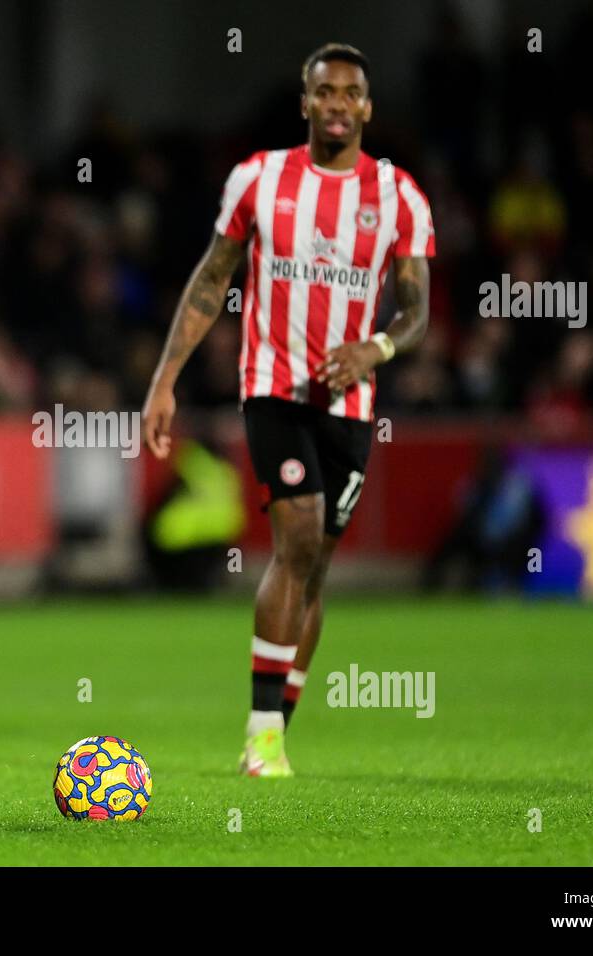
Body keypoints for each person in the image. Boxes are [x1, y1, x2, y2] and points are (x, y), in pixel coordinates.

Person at [142, 43, 435, 777]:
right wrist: (165, 377)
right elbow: (212, 279)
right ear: (305, 102)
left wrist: (376, 350)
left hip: (351, 402)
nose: (337, 104)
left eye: (350, 94)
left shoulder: (399, 195)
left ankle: (280, 721)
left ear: (367, 107)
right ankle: (262, 729)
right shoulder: (260, 179)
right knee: (297, 537)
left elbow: (417, 312)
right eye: (324, 92)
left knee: (313, 567)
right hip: (272, 386)